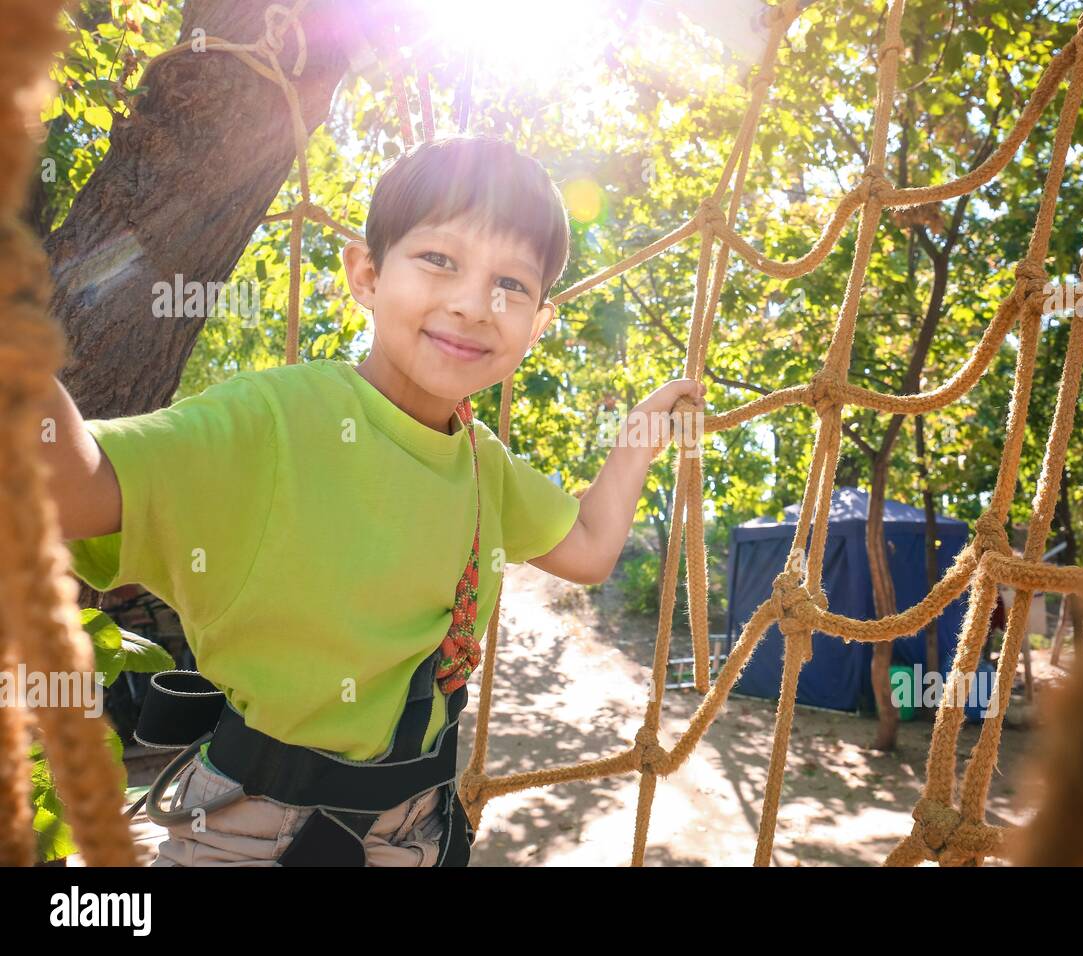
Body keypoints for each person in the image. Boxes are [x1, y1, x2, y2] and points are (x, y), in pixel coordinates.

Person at [40, 135, 702, 866]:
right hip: (251, 832)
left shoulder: (487, 469)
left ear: (538, 326)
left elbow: (589, 547)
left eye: (511, 285)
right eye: (439, 260)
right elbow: (75, 487)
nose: (474, 304)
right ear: (365, 272)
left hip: (414, 830)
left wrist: (638, 436)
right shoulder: (275, 420)